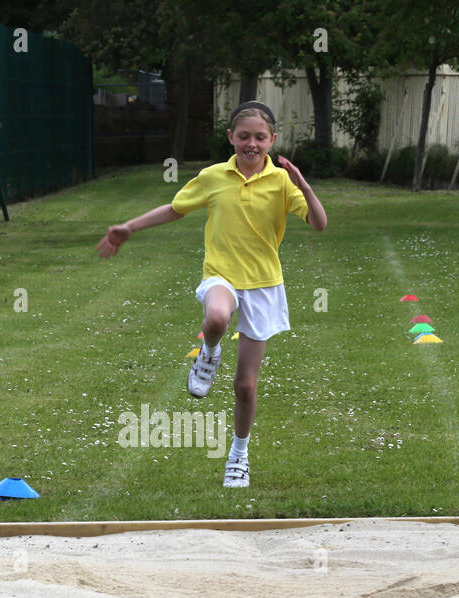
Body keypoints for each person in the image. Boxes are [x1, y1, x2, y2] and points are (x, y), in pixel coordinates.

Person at [97, 101, 327, 487]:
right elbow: (175, 209)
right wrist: (129, 228)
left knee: (245, 385)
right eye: (243, 136)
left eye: (259, 137)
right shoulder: (213, 176)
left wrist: (302, 184)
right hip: (221, 275)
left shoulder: (282, 182)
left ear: (272, 140)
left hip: (265, 286)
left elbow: (319, 224)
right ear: (230, 138)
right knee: (217, 318)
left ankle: (239, 455)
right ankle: (209, 352)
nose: (251, 144)